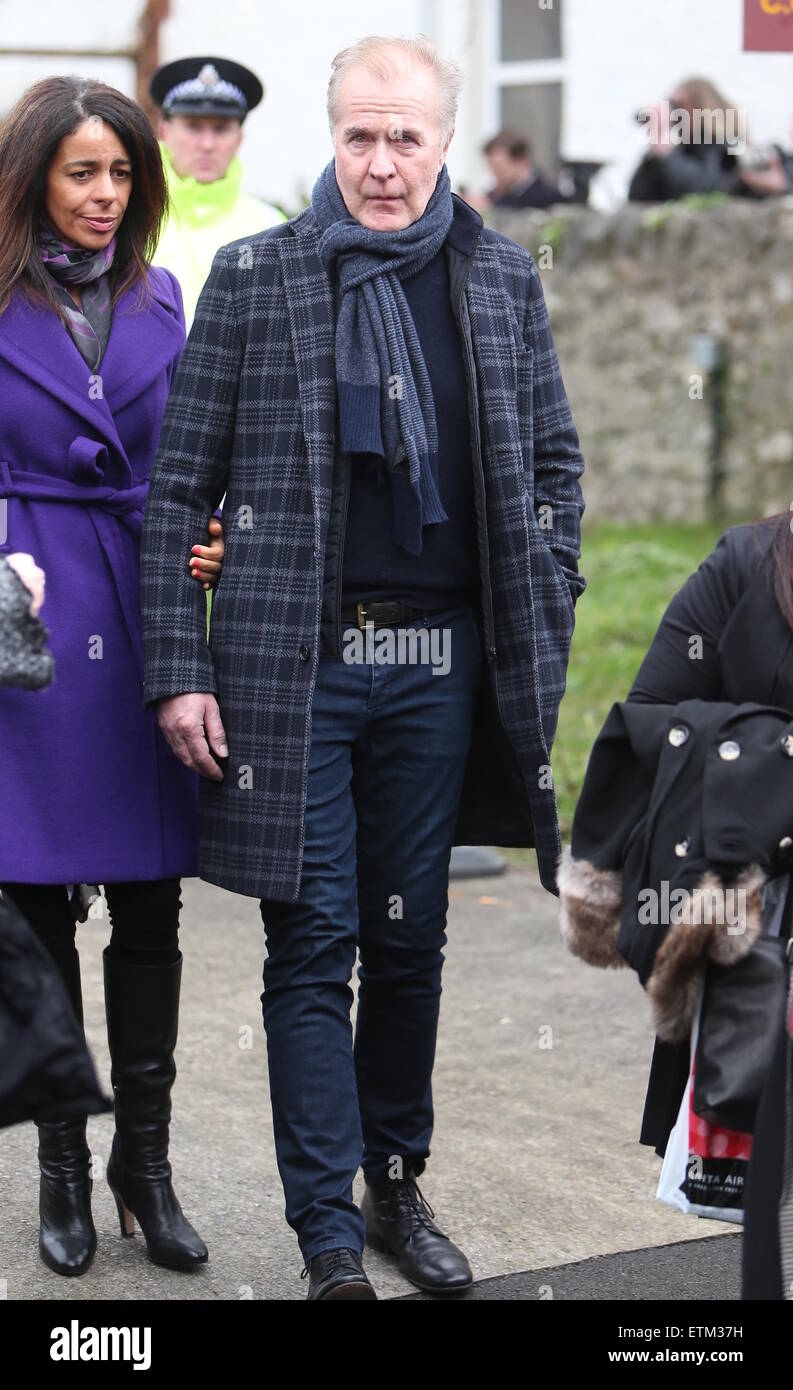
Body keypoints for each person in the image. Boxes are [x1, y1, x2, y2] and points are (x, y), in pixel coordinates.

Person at [141, 33, 585, 1300]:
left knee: (408, 941)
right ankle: (324, 1230)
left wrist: (549, 586)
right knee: (313, 940)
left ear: (445, 142)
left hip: (440, 665)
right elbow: (180, 491)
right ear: (329, 138)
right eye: (359, 136)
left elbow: (555, 465)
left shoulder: (499, 280)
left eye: (405, 138)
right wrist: (179, 667)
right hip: (299, 666)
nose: (381, 164)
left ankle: (397, 1183)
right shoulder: (255, 276)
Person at [0, 75, 222, 1277]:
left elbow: (196, 453)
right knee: (34, 919)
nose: (103, 194)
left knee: (150, 907)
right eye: (81, 171)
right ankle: (60, 1170)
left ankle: (147, 1164)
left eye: (122, 173)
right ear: (33, 173)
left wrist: (215, 526)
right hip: (26, 635)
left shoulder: (164, 295)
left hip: (144, 615)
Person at [556, 515, 793, 1300]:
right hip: (763, 930)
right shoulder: (750, 563)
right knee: (764, 1184)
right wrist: (767, 759)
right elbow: (650, 723)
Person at [151, 56, 285, 328]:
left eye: (221, 129)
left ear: (239, 139)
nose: (208, 144)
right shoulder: (131, 215)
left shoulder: (270, 225)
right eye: (193, 126)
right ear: (164, 131)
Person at [482, 129, 564, 209]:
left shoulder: (549, 199)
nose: (495, 174)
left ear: (521, 160)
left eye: (499, 167)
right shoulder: (498, 196)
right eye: (492, 167)